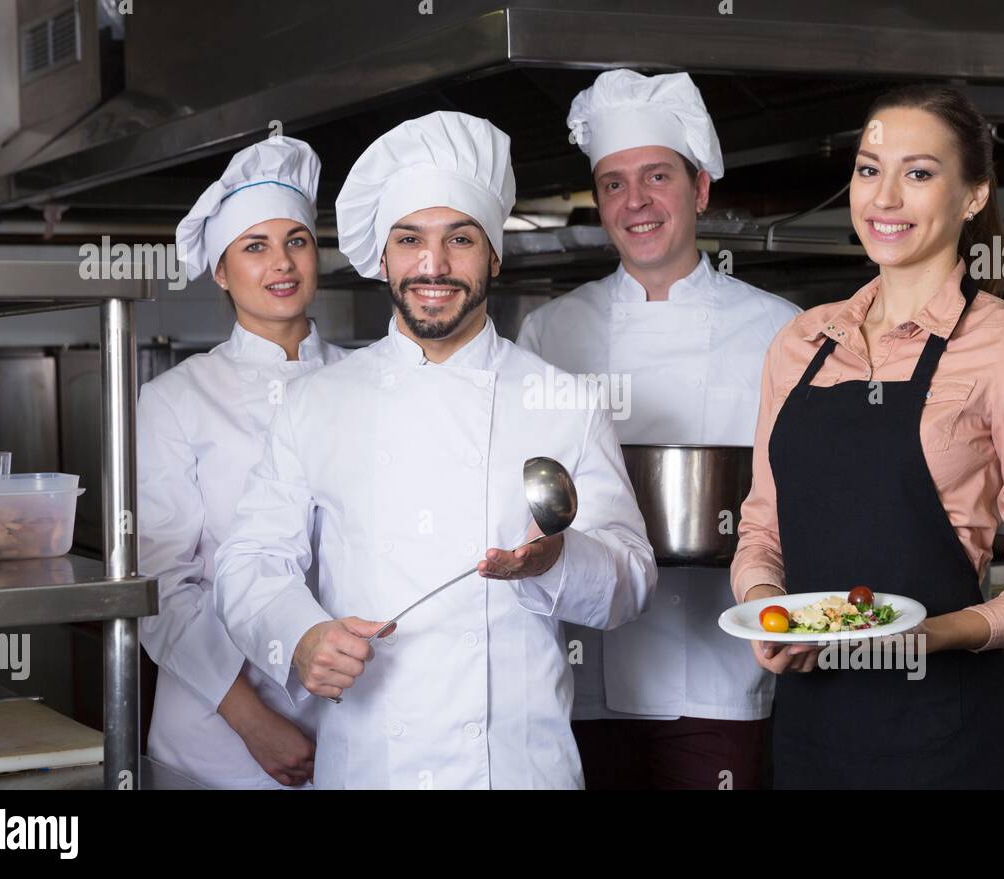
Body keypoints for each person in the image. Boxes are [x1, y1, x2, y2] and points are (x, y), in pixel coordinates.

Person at [213, 111, 657, 789]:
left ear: (495, 255)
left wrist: (556, 559)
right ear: (383, 256)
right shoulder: (316, 403)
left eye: (461, 240)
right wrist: (299, 635)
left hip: (516, 769)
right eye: (411, 240)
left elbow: (632, 582)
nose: (434, 266)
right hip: (369, 766)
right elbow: (249, 562)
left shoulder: (563, 399)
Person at [732, 85, 1004, 789]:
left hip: (945, 732)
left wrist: (932, 634)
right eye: (869, 169)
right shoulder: (799, 342)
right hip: (809, 730)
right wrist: (768, 610)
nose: (884, 197)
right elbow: (761, 528)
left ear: (973, 196)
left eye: (919, 173)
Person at [517, 70, 800, 789]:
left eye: (655, 177)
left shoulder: (778, 328)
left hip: (719, 678)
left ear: (699, 188)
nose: (634, 201)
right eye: (613, 183)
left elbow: (804, 492)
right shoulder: (550, 330)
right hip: (576, 684)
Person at [138, 136, 349, 789]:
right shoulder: (175, 398)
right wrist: (252, 719)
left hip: (350, 718)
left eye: (297, 240)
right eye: (254, 246)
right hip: (215, 735)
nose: (281, 262)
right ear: (221, 270)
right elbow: (161, 585)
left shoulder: (369, 381)